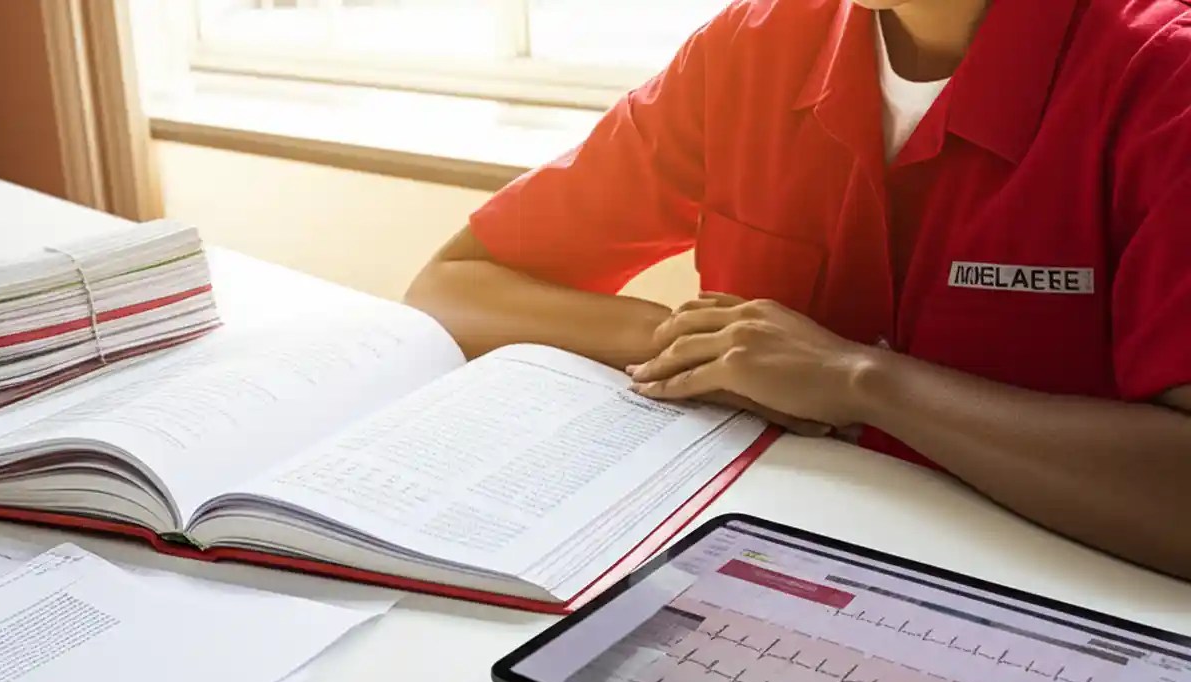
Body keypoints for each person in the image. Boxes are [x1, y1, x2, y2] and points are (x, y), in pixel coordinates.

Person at [405, 0, 1191, 581]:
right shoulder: (752, 47)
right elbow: (455, 287)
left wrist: (859, 382)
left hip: (1052, 599)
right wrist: (706, 347)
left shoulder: (1163, 80)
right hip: (753, 563)